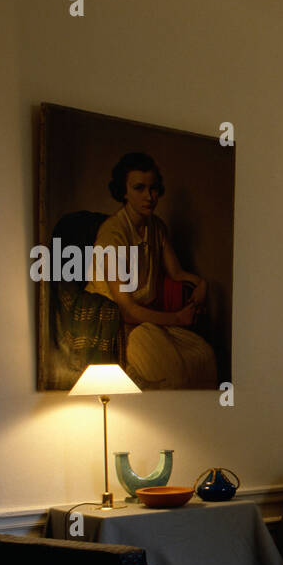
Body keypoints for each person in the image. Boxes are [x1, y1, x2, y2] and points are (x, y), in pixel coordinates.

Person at [86, 152, 217, 389]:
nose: (149, 196)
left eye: (153, 188)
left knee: (204, 355)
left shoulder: (156, 227)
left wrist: (201, 284)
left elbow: (177, 273)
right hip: (120, 326)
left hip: (149, 320)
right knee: (174, 371)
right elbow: (126, 310)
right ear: (123, 191)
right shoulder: (112, 235)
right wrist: (177, 318)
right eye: (139, 188)